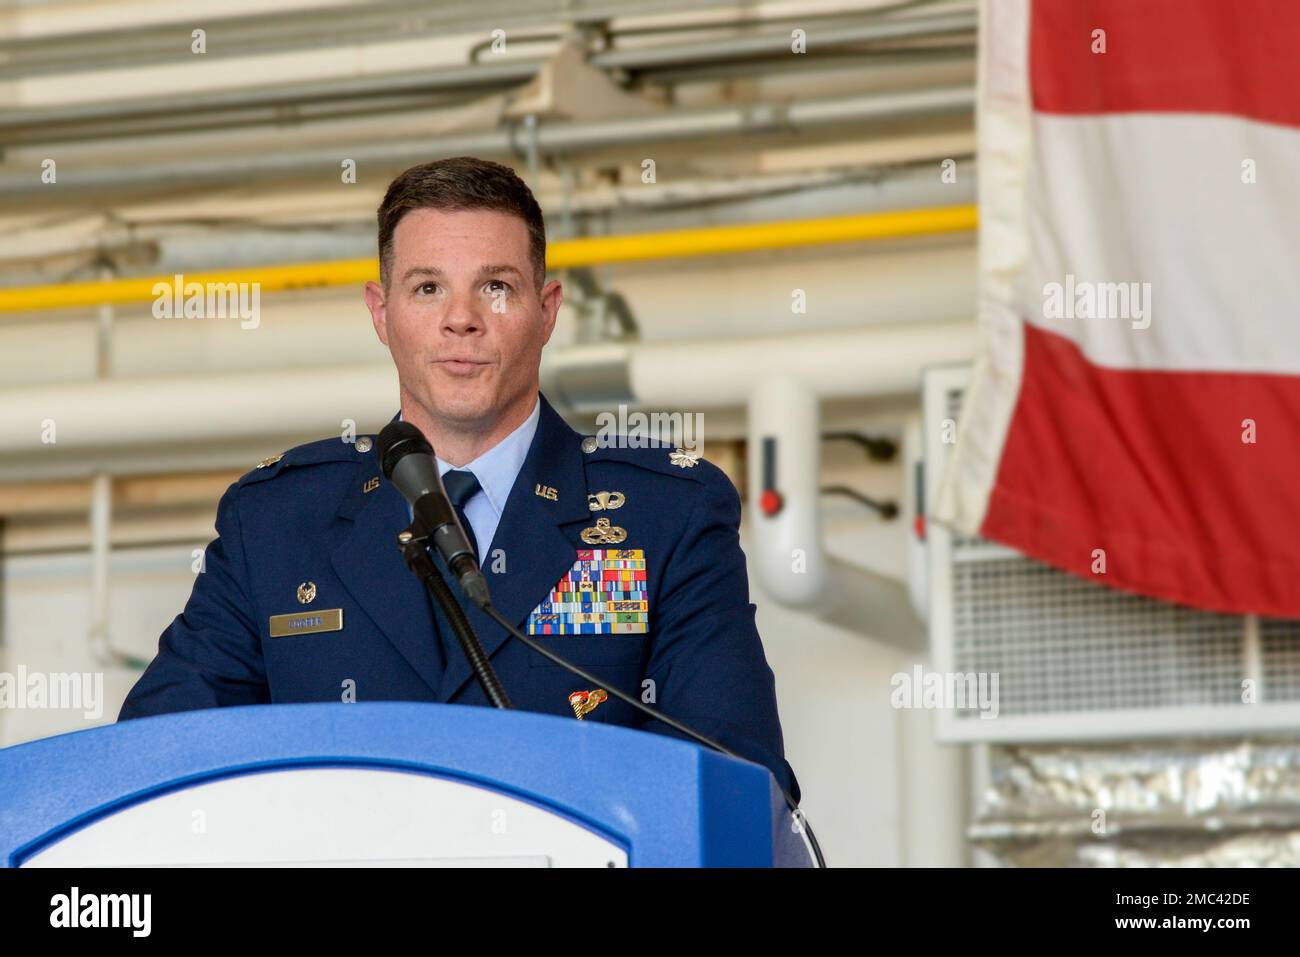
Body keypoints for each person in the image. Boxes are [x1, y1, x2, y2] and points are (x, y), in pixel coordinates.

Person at [119, 156, 799, 799]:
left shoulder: (668, 515)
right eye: (428, 287)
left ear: (547, 309)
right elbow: (152, 767)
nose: (461, 319)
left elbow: (732, 779)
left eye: (495, 286)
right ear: (381, 313)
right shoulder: (274, 525)